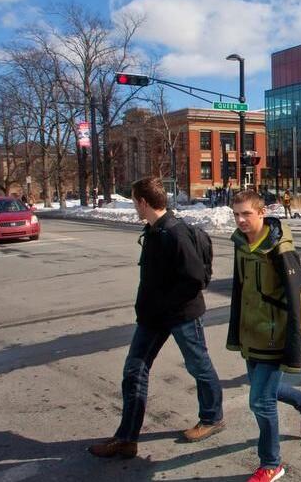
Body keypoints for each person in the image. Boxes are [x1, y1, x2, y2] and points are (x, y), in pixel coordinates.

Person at [88, 177, 223, 460]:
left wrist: (165, 303)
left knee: (198, 366)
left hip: (181, 315)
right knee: (134, 370)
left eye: (134, 201)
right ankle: (127, 438)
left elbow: (195, 278)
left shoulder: (174, 233)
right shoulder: (154, 230)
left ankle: (212, 417)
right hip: (154, 317)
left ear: (143, 202)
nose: (134, 207)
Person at [226, 189, 301, 482]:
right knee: (265, 389)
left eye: (246, 214)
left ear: (261, 212)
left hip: (275, 335)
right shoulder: (241, 243)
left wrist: (295, 345)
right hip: (251, 332)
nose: (241, 220)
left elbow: (298, 298)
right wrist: (237, 331)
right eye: (236, 214)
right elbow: (240, 290)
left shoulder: (280, 249)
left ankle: (271, 463)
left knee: (260, 400)